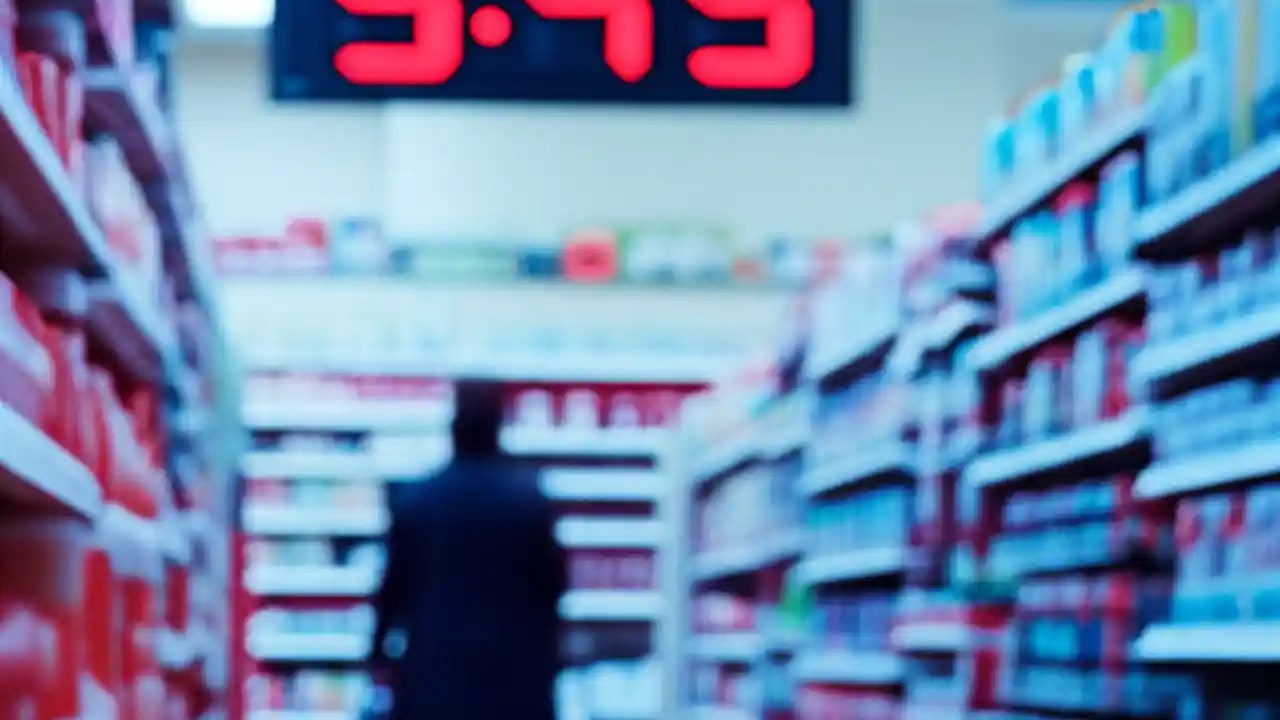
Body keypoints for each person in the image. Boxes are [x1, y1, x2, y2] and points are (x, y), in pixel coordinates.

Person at [371, 381, 567, 720]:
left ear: (453, 428)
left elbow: (393, 592)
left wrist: (377, 656)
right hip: (517, 684)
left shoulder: (418, 501)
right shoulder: (530, 504)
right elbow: (553, 589)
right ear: (498, 427)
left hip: (433, 683)